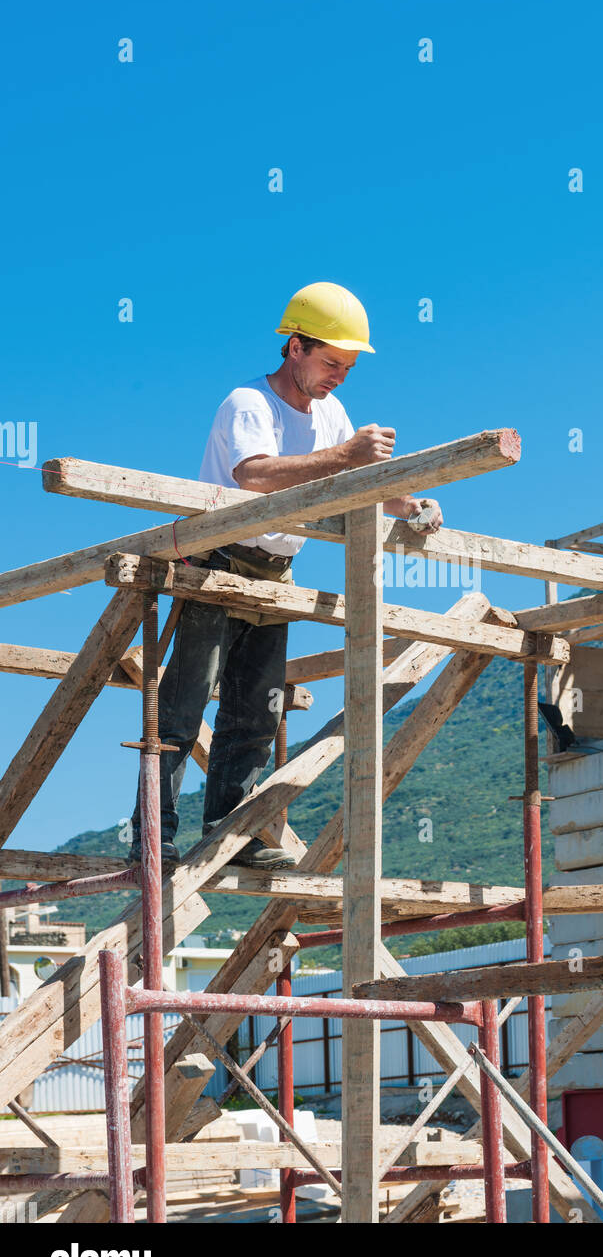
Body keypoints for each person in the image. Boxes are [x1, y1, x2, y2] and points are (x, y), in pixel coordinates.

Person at [128, 282, 443, 869]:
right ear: (295, 347)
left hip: (274, 571)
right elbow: (255, 475)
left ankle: (231, 835)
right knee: (183, 705)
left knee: (256, 711)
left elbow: (355, 485)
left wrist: (410, 503)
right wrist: (348, 456)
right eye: (331, 363)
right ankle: (154, 835)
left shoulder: (332, 415)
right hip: (215, 560)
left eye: (348, 368)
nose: (339, 378)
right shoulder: (248, 403)